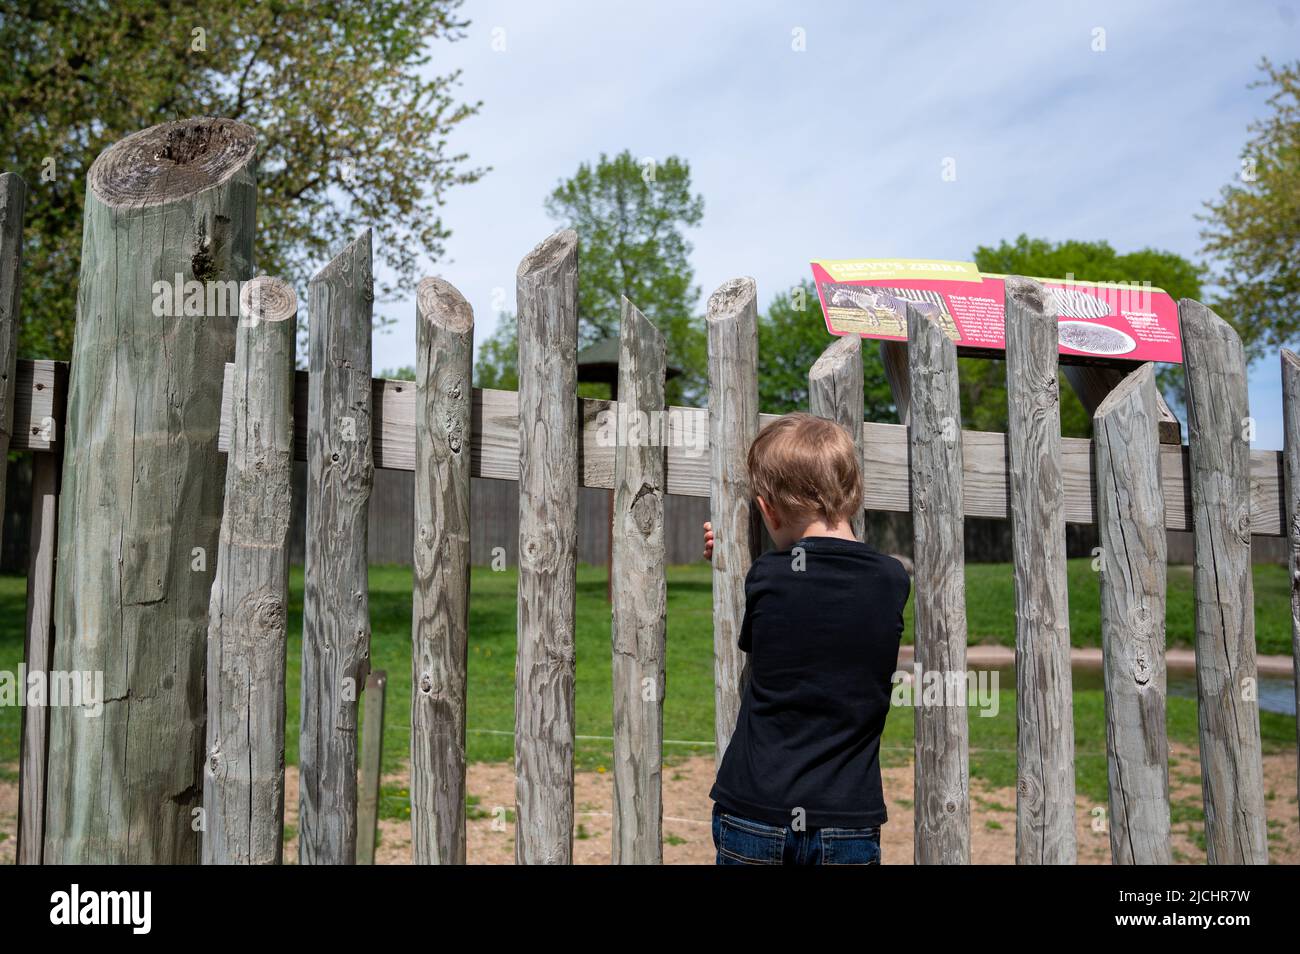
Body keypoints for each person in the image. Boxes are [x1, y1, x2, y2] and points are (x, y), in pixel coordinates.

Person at [702, 412, 910, 865]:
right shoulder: (892, 580)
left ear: (766, 510)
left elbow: (772, 627)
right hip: (848, 820)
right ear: (853, 496)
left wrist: (734, 552)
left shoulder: (767, 576)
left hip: (754, 811)